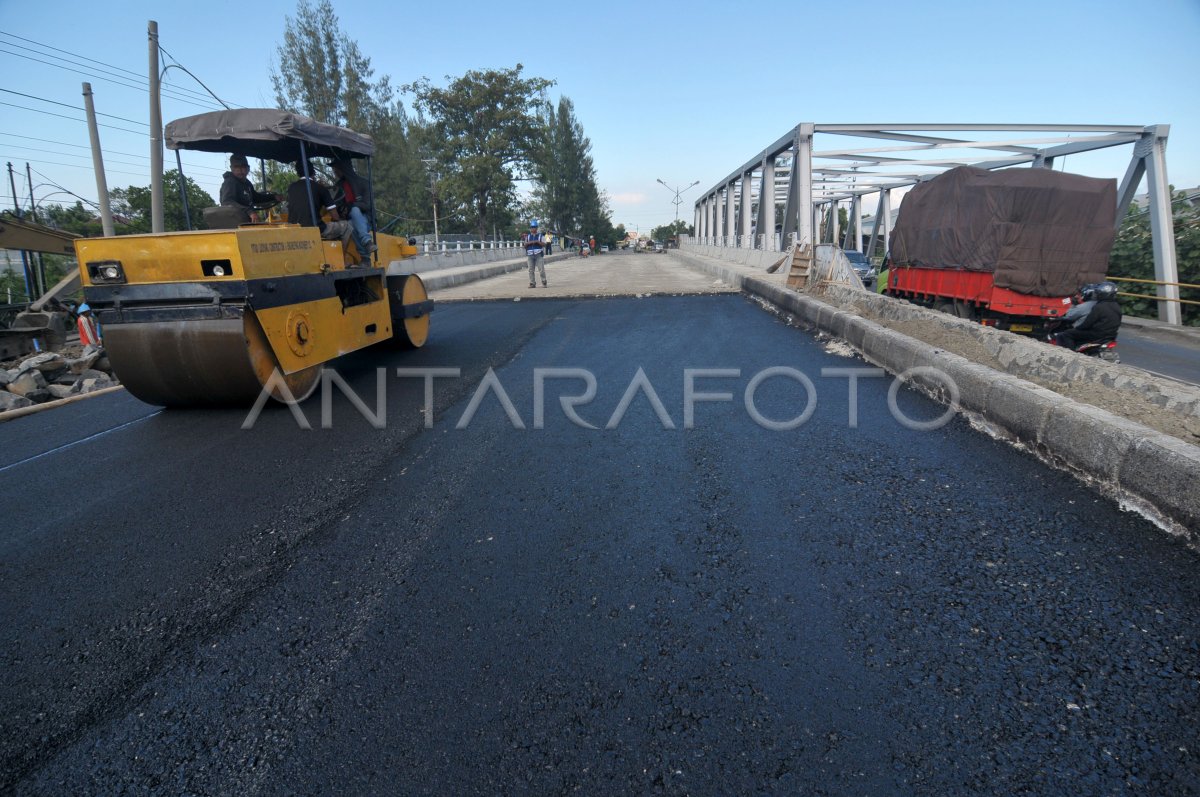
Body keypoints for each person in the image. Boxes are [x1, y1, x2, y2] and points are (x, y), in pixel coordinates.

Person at [286, 160, 355, 256]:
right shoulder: (320, 188)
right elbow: (335, 216)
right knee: (346, 226)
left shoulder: (291, 188)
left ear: (298, 172)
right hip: (315, 228)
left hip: (294, 229)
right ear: (313, 172)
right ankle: (339, 259)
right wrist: (340, 219)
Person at [330, 158, 376, 257]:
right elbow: (335, 204)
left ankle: (365, 247)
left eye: (337, 170)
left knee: (354, 213)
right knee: (350, 224)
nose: (335, 173)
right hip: (347, 220)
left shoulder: (364, 183)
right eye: (334, 171)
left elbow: (368, 205)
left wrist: (351, 205)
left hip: (366, 219)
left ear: (344, 168)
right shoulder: (338, 186)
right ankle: (367, 244)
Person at [1054, 281, 1121, 350]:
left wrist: (1077, 328)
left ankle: (1070, 354)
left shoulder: (1099, 306)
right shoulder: (1117, 306)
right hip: (1110, 336)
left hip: (1096, 335)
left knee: (1065, 334)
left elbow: (1088, 323)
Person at [220, 155, 281, 222]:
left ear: (248, 168)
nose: (240, 170)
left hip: (246, 221)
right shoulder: (230, 182)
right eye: (236, 167)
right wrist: (249, 211)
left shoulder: (247, 183)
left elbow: (256, 197)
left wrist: (273, 197)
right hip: (234, 222)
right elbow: (227, 201)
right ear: (231, 168)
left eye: (243, 167)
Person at [523, 219, 546, 288]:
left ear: (536, 228)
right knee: (530, 270)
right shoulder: (528, 237)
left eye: (534, 227)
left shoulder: (540, 236)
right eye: (532, 227)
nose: (533, 229)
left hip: (538, 254)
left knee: (541, 269)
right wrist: (528, 243)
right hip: (530, 255)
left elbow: (544, 244)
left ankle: (544, 282)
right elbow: (524, 245)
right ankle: (532, 283)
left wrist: (537, 242)